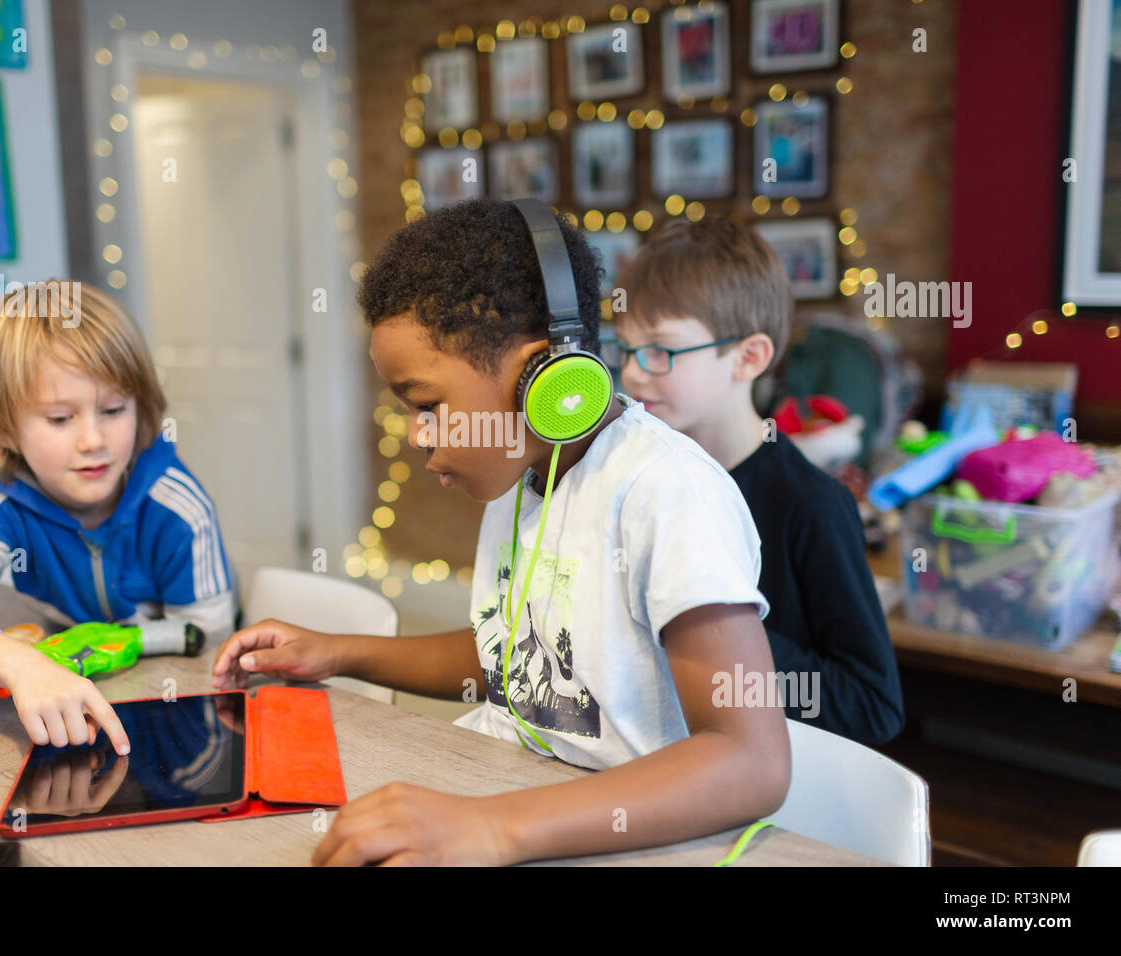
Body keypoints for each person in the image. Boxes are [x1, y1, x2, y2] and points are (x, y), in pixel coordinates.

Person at [213, 199, 790, 866]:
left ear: (540, 378)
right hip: (521, 794)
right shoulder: (527, 475)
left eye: (427, 405)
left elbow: (751, 763)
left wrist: (493, 828)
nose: (417, 435)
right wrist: (336, 652)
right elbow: (514, 657)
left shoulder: (666, 492)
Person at [0, 282, 237, 754]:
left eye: (114, 409)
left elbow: (205, 635)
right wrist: (17, 663)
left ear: (141, 407)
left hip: (176, 711)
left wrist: (107, 643)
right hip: (73, 702)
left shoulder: (176, 503)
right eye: (61, 419)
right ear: (3, 425)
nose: (92, 440)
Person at [611, 217, 905, 746]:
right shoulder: (635, 477)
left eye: (661, 350)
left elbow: (871, 706)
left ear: (748, 357)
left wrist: (715, 637)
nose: (632, 373)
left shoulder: (811, 504)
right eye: (626, 348)